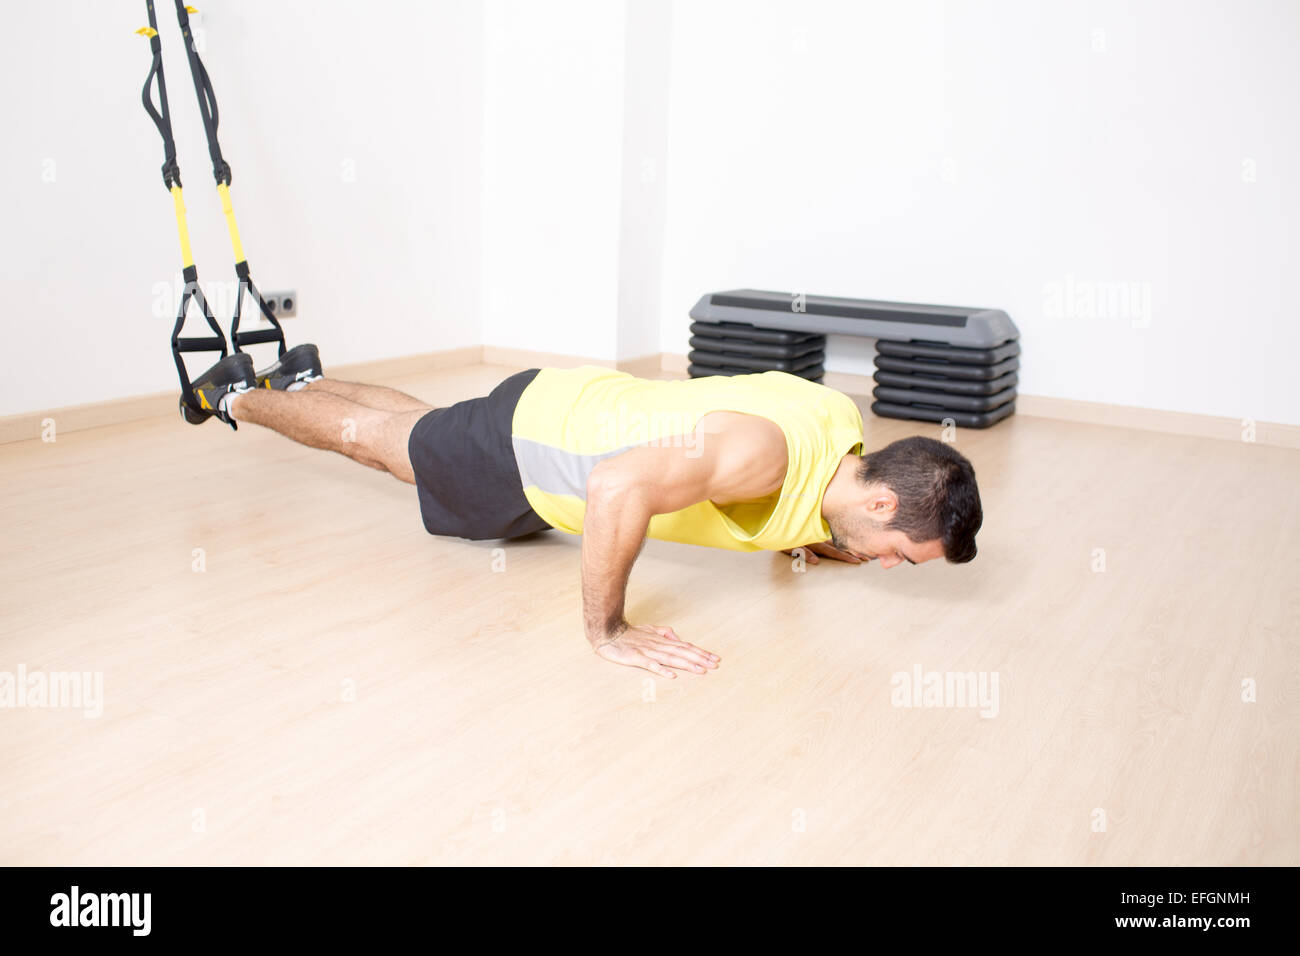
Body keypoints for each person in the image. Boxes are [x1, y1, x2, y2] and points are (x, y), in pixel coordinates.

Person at [188, 349, 983, 678]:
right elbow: (615, 490)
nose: (884, 564)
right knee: (383, 445)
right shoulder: (764, 459)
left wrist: (814, 542)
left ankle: (297, 384)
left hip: (574, 396)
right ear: (880, 502)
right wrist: (609, 631)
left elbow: (794, 495)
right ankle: (234, 398)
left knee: (418, 430)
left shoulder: (838, 428)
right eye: (896, 553)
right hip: (535, 447)